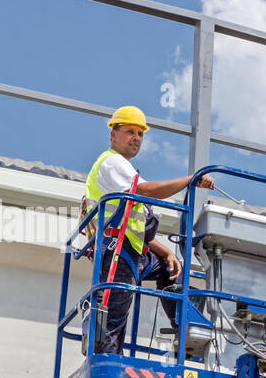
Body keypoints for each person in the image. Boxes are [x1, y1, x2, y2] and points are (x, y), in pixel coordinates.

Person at [83, 105, 214, 355]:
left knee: (168, 268)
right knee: (113, 319)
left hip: (130, 251)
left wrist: (166, 252)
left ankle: (183, 327)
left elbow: (129, 225)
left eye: (140, 134)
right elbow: (144, 191)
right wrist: (191, 179)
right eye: (130, 132)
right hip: (117, 255)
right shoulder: (112, 162)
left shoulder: (123, 167)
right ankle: (108, 374)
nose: (136, 138)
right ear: (113, 134)